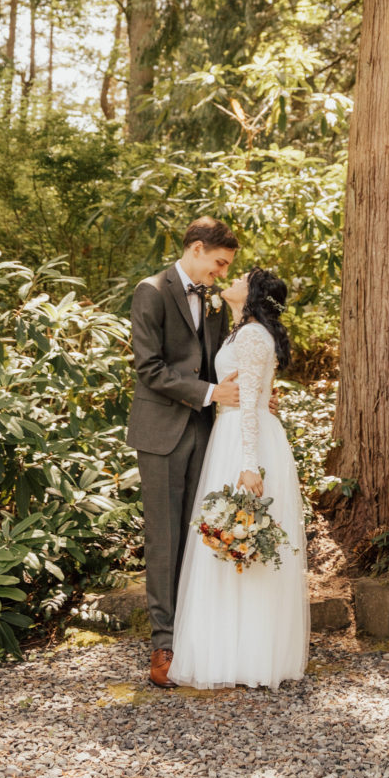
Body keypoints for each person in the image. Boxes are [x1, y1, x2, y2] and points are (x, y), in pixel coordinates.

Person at [169, 266, 309, 690]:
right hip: (232, 433)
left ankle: (246, 655)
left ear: (253, 295)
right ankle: (231, 650)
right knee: (230, 539)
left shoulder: (250, 336)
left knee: (243, 538)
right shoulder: (242, 332)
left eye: (242, 279)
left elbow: (249, 403)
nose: (231, 280)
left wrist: (249, 463)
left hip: (244, 441)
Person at [127, 216, 242, 688]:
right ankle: (165, 645)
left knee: (201, 536)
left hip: (205, 432)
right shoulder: (151, 291)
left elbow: (216, 365)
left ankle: (198, 637)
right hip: (161, 433)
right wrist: (212, 393)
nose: (222, 273)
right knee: (164, 539)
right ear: (196, 249)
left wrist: (250, 395)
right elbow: (149, 368)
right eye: (219, 263)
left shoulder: (213, 302)